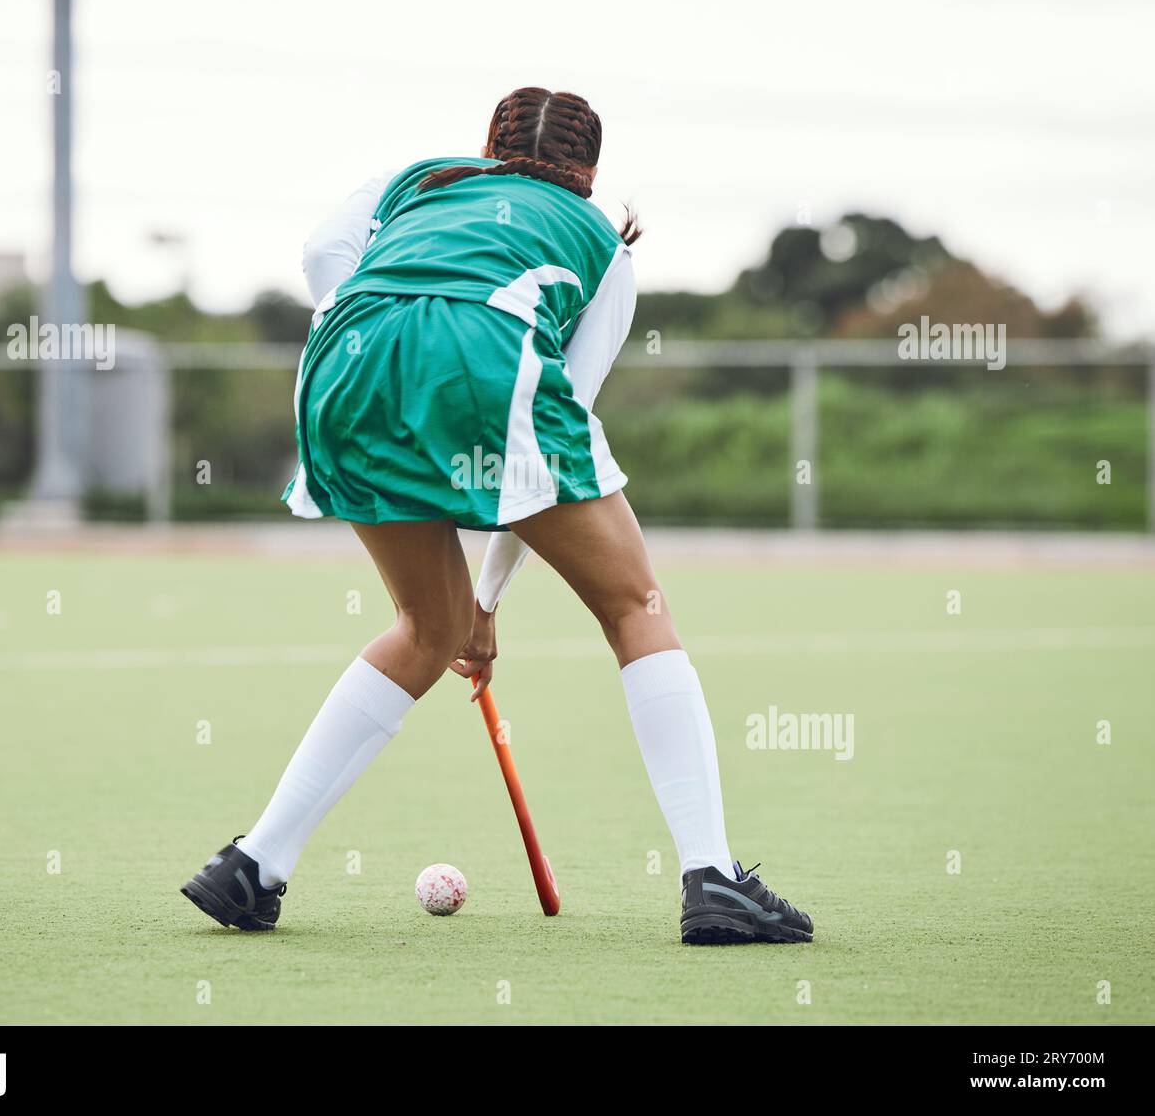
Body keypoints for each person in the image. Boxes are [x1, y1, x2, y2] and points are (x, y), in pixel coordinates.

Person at [181, 87, 812, 945]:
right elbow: (549, 444)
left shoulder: (415, 181)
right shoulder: (603, 251)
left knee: (423, 628)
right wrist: (491, 595)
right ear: (590, 172)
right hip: (482, 361)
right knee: (635, 607)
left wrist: (383, 317)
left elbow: (323, 248)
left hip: (346, 361)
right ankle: (713, 878)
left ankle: (254, 865)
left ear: (488, 143)